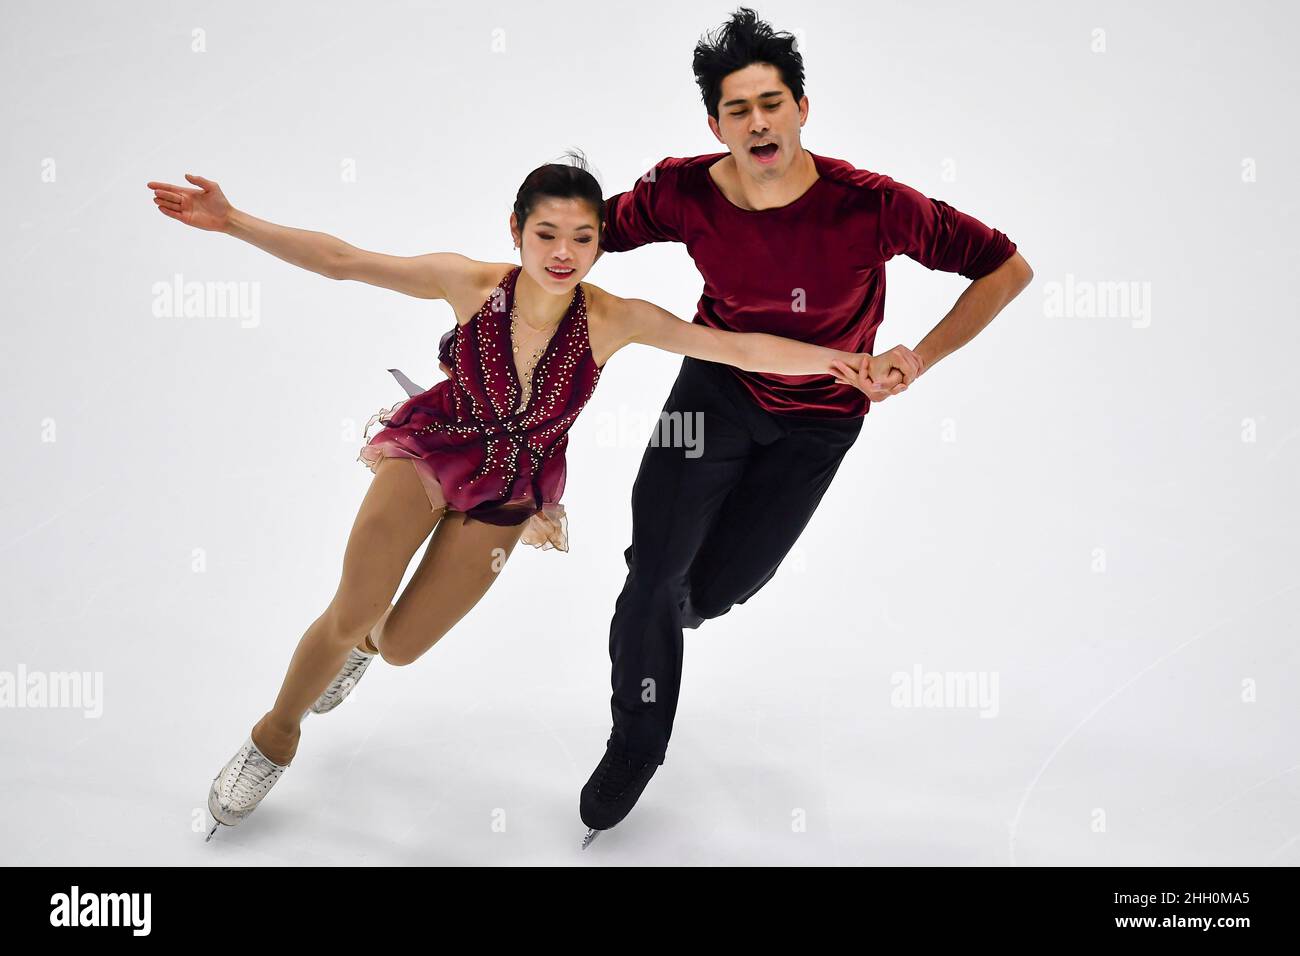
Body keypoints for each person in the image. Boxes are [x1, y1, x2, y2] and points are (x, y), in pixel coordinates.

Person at [145, 151, 890, 840]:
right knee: (353, 610)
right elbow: (342, 262)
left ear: (601, 242)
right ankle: (276, 735)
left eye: (583, 237)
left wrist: (840, 362)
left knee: (397, 645)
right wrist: (233, 220)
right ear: (517, 231)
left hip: (510, 490)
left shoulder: (611, 317)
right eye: (546, 234)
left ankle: (364, 650)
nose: (563, 253)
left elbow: (733, 347)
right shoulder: (468, 281)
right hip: (432, 451)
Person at [578, 7, 1034, 845]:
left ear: (802, 109)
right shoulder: (683, 191)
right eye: (739, 108)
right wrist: (495, 302)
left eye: (773, 102)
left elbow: (1007, 267)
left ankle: (669, 616)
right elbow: (581, 234)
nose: (759, 122)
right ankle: (635, 744)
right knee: (652, 573)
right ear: (714, 123)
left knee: (708, 594)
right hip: (713, 397)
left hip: (819, 426)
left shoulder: (871, 206)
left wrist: (920, 357)